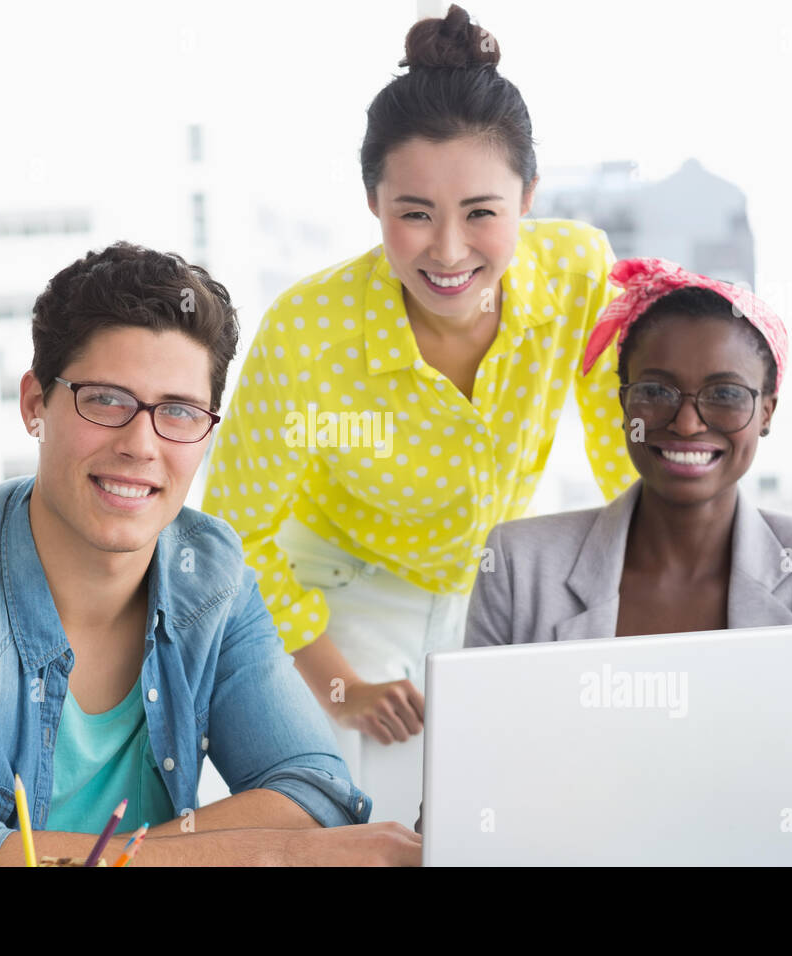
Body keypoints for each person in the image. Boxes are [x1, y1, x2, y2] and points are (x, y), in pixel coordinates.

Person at [0, 242, 421, 866]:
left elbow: (317, 792)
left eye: (181, 412)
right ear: (33, 404)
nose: (142, 444)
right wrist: (270, 855)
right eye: (105, 400)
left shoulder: (210, 573)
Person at [201, 4, 636, 827]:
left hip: (495, 586)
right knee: (374, 815)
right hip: (339, 591)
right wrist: (339, 683)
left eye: (481, 212)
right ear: (373, 202)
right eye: (414, 213)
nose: (446, 250)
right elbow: (234, 536)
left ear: (528, 197)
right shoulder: (308, 331)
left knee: (522, 813)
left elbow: (623, 457)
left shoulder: (579, 270)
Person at [465, 257, 792, 833]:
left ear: (767, 412)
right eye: (656, 390)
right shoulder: (519, 561)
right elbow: (473, 768)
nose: (685, 423)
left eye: (725, 395)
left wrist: (759, 737)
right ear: (624, 404)